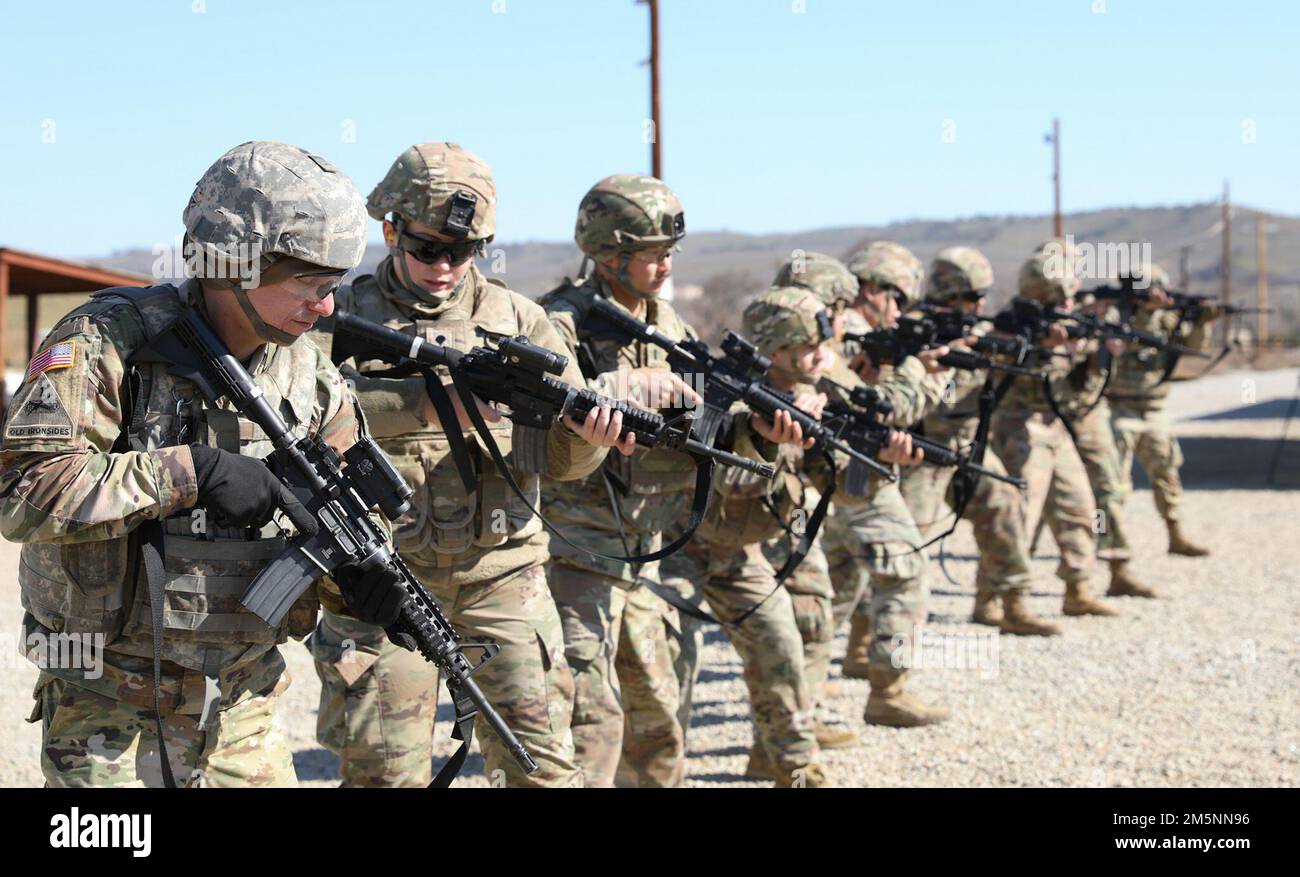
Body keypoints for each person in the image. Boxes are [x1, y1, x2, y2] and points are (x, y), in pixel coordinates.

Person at [2, 140, 371, 786]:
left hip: (244, 713)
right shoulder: (108, 343)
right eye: (310, 284)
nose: (327, 307)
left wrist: (360, 573)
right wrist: (192, 472)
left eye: (333, 286)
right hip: (110, 711)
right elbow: (22, 490)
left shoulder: (312, 377)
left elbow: (353, 526)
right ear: (235, 264)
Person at [310, 142, 630, 787]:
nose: (445, 267)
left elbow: (560, 465)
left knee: (540, 768)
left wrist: (591, 435)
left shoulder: (521, 322)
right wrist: (425, 403)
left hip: (500, 577)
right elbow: (300, 416)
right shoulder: (336, 316)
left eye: (463, 252)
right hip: (383, 582)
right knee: (383, 775)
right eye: (428, 248)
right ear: (390, 230)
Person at [537, 173, 704, 787]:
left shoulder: (666, 320)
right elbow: (537, 408)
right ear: (610, 253)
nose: (663, 267)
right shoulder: (562, 321)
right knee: (589, 718)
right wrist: (617, 388)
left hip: (645, 553)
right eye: (651, 255)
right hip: (578, 550)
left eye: (668, 255)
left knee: (660, 714)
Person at [898, 247, 1060, 635]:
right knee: (903, 542)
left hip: (966, 445)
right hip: (920, 450)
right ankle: (870, 634)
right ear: (948, 294)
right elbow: (932, 394)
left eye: (982, 296)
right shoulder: (914, 332)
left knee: (1005, 508)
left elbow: (1015, 375)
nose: (980, 303)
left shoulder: (974, 328)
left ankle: (1009, 603)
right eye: (972, 297)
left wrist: (1024, 344)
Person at [990, 241, 1119, 619]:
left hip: (1054, 427)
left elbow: (1077, 383)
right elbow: (1001, 360)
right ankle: (1004, 600)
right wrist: (1040, 346)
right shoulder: (1010, 325)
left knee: (1078, 509)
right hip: (1019, 428)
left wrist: (1093, 348)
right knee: (1019, 518)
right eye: (1061, 299)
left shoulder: (1065, 324)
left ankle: (1078, 588)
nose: (1068, 306)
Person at [1108, 263, 1220, 558]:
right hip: (1117, 408)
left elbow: (1191, 348)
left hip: (1153, 407)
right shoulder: (1115, 315)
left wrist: (1201, 322)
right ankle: (1104, 540)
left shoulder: (1167, 320)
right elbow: (1130, 341)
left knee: (1167, 472)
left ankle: (1176, 535)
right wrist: (1146, 313)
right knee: (1111, 483)